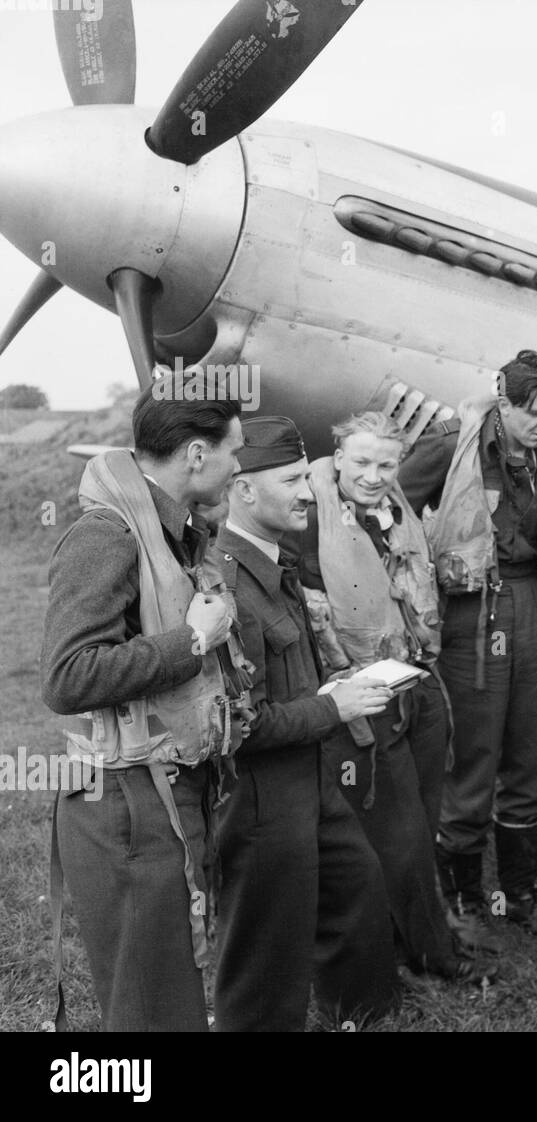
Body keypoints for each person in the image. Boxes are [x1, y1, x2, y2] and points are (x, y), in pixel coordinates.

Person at [41, 378, 244, 1031]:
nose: (239, 466)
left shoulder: (175, 530)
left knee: (171, 986)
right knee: (153, 1009)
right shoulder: (108, 536)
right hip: (124, 803)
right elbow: (69, 677)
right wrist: (193, 641)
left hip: (161, 787)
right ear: (193, 454)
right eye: (232, 451)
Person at [206, 416, 401, 1030]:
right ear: (243, 490)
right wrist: (334, 708)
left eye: (305, 477)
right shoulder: (227, 584)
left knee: (357, 888)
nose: (308, 491)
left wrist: (338, 687)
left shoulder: (275, 562)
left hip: (311, 776)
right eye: (292, 479)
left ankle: (359, 1016)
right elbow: (239, 725)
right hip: (262, 798)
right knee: (267, 942)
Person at [297, 411, 494, 980]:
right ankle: (430, 954)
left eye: (386, 463)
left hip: (418, 686)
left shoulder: (397, 507)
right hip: (363, 700)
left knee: (422, 822)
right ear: (338, 458)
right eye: (360, 461)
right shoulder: (309, 518)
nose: (373, 474)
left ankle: (413, 940)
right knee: (397, 833)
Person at [398, 350, 537, 941]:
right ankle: (464, 904)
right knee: (471, 762)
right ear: (503, 403)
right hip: (471, 613)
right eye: (534, 412)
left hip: (530, 606)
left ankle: (521, 897)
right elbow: (394, 504)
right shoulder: (455, 443)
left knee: (535, 761)